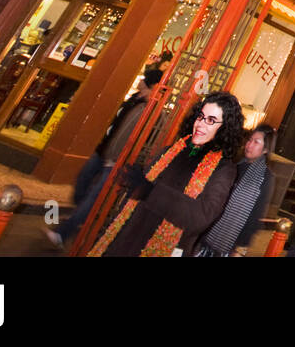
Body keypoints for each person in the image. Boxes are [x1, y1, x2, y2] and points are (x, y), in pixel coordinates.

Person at [87, 91, 243, 257]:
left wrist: (150, 192)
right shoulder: (173, 149)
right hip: (127, 240)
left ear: (225, 128)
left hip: (167, 249)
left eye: (211, 120)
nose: (201, 124)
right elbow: (139, 192)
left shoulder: (224, 169)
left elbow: (201, 217)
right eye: (200, 116)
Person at [45, 68, 161, 248]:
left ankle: (64, 231)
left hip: (117, 160)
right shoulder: (134, 100)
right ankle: (80, 216)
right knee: (82, 181)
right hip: (104, 151)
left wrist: (120, 158)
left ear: (150, 84)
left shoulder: (152, 112)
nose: (140, 81)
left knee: (94, 196)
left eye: (144, 79)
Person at [193, 123, 276, 257]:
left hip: (229, 243)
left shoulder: (265, 178)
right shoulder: (235, 165)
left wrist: (241, 248)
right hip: (206, 231)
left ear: (266, 149)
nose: (249, 145)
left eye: (256, 142)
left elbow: (256, 215)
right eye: (249, 140)